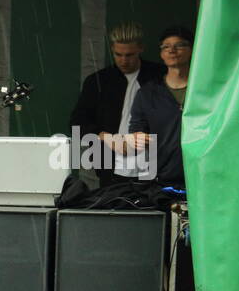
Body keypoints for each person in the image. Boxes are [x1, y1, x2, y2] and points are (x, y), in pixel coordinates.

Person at [68, 21, 166, 187]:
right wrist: (107, 138)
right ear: (112, 49)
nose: (123, 60)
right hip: (110, 164)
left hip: (156, 162)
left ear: (140, 49)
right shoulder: (98, 81)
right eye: (118, 54)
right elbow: (77, 123)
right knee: (113, 209)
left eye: (129, 55)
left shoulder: (158, 76)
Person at [128, 24, 194, 190]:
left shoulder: (205, 90)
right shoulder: (148, 93)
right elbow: (136, 129)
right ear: (161, 54)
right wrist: (137, 138)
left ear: (192, 49)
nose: (172, 50)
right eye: (166, 47)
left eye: (179, 45)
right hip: (162, 180)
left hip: (202, 175)